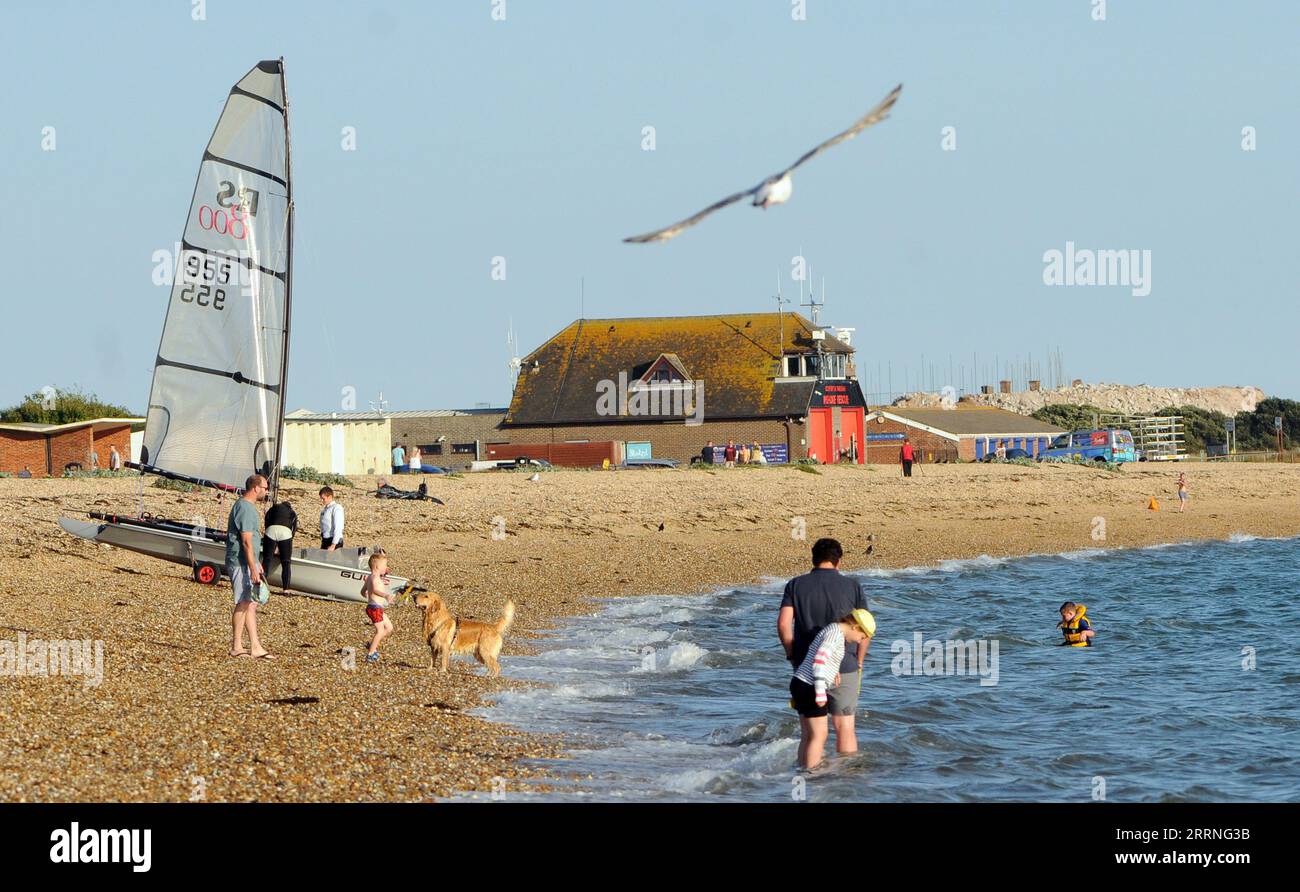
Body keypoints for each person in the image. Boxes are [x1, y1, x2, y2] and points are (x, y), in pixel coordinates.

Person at [778, 538, 871, 758]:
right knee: (845, 728)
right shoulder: (852, 586)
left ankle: (807, 777)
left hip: (807, 667)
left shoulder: (796, 584)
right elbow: (865, 628)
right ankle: (846, 780)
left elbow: (783, 624)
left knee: (812, 734)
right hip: (846, 665)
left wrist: (792, 655)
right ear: (839, 562)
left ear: (813, 559)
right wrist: (858, 661)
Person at [790, 609, 875, 769]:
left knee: (809, 735)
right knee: (819, 735)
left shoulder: (833, 629)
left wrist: (833, 670)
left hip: (801, 682)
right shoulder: (836, 635)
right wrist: (821, 693)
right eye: (862, 637)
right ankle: (812, 773)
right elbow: (819, 661)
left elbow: (819, 652)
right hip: (810, 686)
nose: (859, 642)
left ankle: (802, 769)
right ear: (856, 627)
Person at [227, 474, 272, 659]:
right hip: (240, 562)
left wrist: (256, 563)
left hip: (248, 561)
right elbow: (246, 541)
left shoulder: (247, 507)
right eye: (265, 488)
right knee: (243, 602)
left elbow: (250, 541)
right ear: (256, 488)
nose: (266, 491)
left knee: (251, 604)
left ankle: (255, 646)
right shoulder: (245, 508)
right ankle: (236, 646)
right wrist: (253, 567)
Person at [360, 552, 396, 662]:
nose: (386, 567)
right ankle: (371, 653)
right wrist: (386, 595)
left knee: (389, 628)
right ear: (377, 567)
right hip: (374, 608)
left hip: (376, 608)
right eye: (384, 565)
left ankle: (372, 644)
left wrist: (366, 594)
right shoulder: (375, 578)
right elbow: (375, 590)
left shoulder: (370, 577)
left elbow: (362, 591)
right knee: (380, 631)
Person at [261, 500, 299, 592]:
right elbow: (293, 529)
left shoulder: (273, 508)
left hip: (271, 530)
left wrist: (268, 536)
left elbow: (267, 521)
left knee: (267, 559)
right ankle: (286, 589)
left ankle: (261, 584)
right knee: (286, 562)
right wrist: (285, 544)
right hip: (285, 532)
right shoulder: (292, 512)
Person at [319, 486, 345, 551]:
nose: (321, 501)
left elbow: (338, 527)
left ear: (330, 497)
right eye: (321, 498)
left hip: (334, 540)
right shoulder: (325, 509)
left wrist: (333, 545)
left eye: (323, 498)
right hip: (325, 540)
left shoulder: (336, 508)